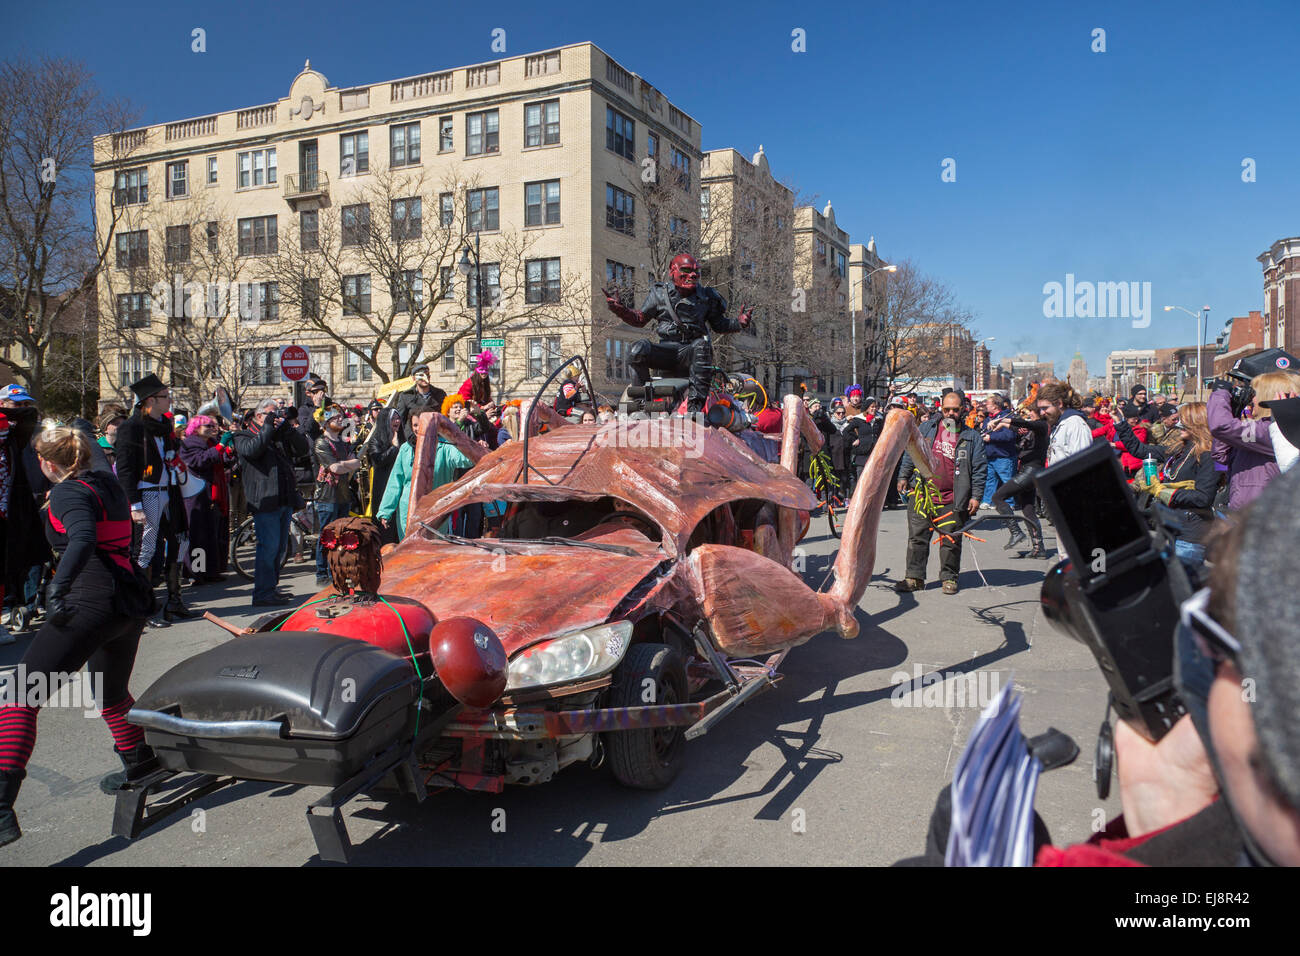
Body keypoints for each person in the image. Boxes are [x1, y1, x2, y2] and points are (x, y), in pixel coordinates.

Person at [0, 426, 157, 847]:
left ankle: (0, 809)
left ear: (48, 462)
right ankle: (143, 766)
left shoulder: (69, 492)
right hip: (125, 602)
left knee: (20, 695)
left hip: (90, 601)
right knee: (111, 694)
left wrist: (58, 587)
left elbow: (83, 538)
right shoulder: (105, 483)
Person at [601, 253, 753, 415]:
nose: (693, 275)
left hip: (691, 352)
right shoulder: (659, 294)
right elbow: (640, 319)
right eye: (686, 270)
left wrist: (738, 323)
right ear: (672, 271)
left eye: (696, 271)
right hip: (666, 352)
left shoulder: (707, 296)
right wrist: (620, 310)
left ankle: (694, 409)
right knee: (637, 349)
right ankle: (642, 404)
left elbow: (719, 325)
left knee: (702, 346)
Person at [113, 374, 194, 625]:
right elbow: (125, 469)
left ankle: (174, 600)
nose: (169, 400)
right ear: (150, 401)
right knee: (145, 550)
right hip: (147, 492)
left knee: (180, 540)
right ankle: (144, 609)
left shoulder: (165, 427)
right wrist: (135, 504)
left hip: (169, 491)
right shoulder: (131, 428)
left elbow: (168, 457)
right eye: (165, 397)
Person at [894, 390, 987, 595]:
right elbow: (912, 453)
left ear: (963, 409)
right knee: (917, 537)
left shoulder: (972, 437)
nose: (951, 413)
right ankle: (914, 577)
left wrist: (976, 496)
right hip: (922, 495)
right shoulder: (927, 428)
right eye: (947, 409)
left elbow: (980, 470)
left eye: (955, 409)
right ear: (941, 409)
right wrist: (903, 476)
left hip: (952, 498)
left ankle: (949, 578)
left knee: (950, 540)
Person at [231, 398, 310, 606]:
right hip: (264, 501)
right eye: (270, 414)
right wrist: (268, 427)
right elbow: (252, 450)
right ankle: (262, 593)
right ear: (258, 416)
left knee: (280, 548)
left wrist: (288, 430)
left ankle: (271, 589)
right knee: (268, 547)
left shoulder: (277, 436)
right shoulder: (243, 435)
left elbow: (302, 449)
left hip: (283, 499)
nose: (275, 418)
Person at [1206, 370, 1300, 510]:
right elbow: (1221, 457)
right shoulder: (1260, 429)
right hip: (1244, 515)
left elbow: (1221, 426)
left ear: (1267, 396)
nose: (1252, 399)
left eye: (1255, 394)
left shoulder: (1271, 431)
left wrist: (1220, 394)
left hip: (1264, 517)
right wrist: (1234, 413)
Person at [378, 414, 471, 539]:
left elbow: (465, 460)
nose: (418, 428)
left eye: (422, 424)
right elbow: (395, 481)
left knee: (432, 551)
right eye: (415, 425)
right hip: (408, 511)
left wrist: (475, 448)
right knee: (408, 549)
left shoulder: (445, 447)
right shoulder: (405, 449)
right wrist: (385, 511)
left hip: (435, 509)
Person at [312, 405, 363, 588]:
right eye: (335, 418)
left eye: (340, 417)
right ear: (325, 423)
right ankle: (321, 572)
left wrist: (344, 464)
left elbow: (356, 462)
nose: (340, 420)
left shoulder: (342, 442)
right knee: (326, 535)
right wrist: (346, 464)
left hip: (343, 494)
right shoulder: (321, 443)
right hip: (327, 496)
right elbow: (334, 468)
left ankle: (338, 569)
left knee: (342, 536)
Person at [178, 415, 231, 584]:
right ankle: (197, 573)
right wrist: (220, 446)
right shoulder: (190, 443)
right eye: (207, 426)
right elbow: (199, 461)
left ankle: (211, 570)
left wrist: (227, 450)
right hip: (197, 495)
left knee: (212, 534)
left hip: (211, 494)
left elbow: (220, 460)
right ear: (196, 427)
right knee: (198, 535)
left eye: (213, 425)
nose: (212, 428)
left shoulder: (209, 442)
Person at [996, 404, 1049, 557]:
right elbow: (1019, 428)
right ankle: (1039, 549)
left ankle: (1016, 532)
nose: (1029, 415)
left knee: (998, 497)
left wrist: (1003, 420)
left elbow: (1024, 423)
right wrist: (1002, 423)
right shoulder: (1033, 429)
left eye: (1031, 413)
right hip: (1027, 470)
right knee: (1028, 509)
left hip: (1032, 471)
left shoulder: (1041, 426)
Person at [1036, 381, 1093, 466]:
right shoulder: (1060, 424)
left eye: (1045, 408)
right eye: (1040, 409)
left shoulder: (1075, 424)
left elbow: (1083, 464)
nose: (1041, 413)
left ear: (1059, 404)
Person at [978, 394, 1017, 510]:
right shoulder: (987, 419)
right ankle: (987, 500)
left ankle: (1009, 502)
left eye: (988, 404)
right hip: (990, 454)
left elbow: (1009, 435)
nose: (985, 406)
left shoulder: (1006, 417)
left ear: (995, 405)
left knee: (1006, 480)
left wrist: (991, 438)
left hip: (1003, 455)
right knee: (990, 480)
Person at [393, 365, 447, 445]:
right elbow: (401, 421)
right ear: (414, 379)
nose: (425, 378)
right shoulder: (405, 396)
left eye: (427, 375)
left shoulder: (440, 394)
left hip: (436, 441)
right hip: (413, 441)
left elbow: (445, 419)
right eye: (421, 376)